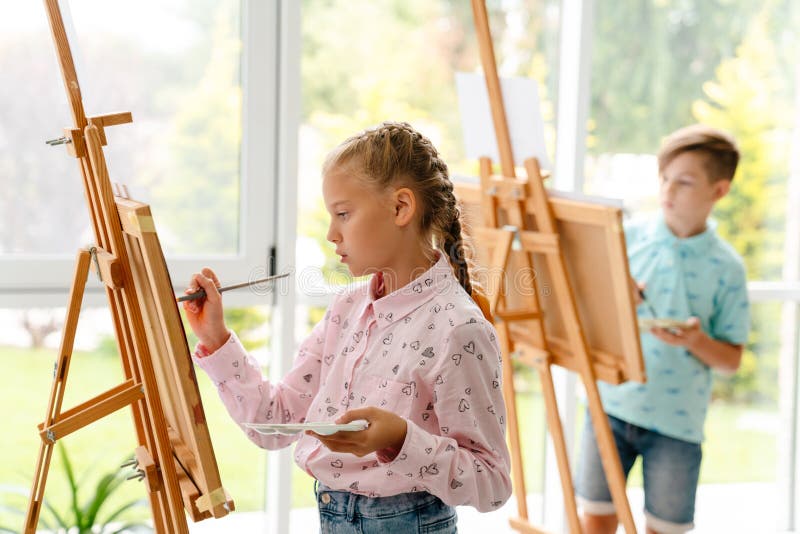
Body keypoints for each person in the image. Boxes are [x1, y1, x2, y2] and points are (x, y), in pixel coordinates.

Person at [183, 121, 512, 532]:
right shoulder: (347, 308)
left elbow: (492, 482)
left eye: (343, 214)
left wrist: (401, 439)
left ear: (400, 209)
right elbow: (274, 419)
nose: (330, 233)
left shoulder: (458, 329)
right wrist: (215, 337)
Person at [576, 124, 751, 534]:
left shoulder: (728, 268)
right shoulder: (625, 240)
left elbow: (731, 361)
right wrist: (616, 303)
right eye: (665, 179)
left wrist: (697, 341)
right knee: (593, 522)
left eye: (684, 182)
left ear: (719, 191)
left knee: (667, 528)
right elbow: (584, 320)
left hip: (677, 425)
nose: (668, 192)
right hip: (611, 408)